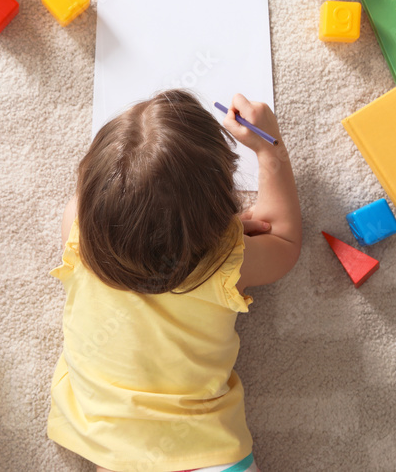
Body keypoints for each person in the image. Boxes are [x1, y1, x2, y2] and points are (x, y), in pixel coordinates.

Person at [47, 90, 302, 472]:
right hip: (206, 449)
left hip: (107, 442)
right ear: (218, 207)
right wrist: (270, 150)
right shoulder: (228, 260)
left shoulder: (78, 228)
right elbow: (283, 238)